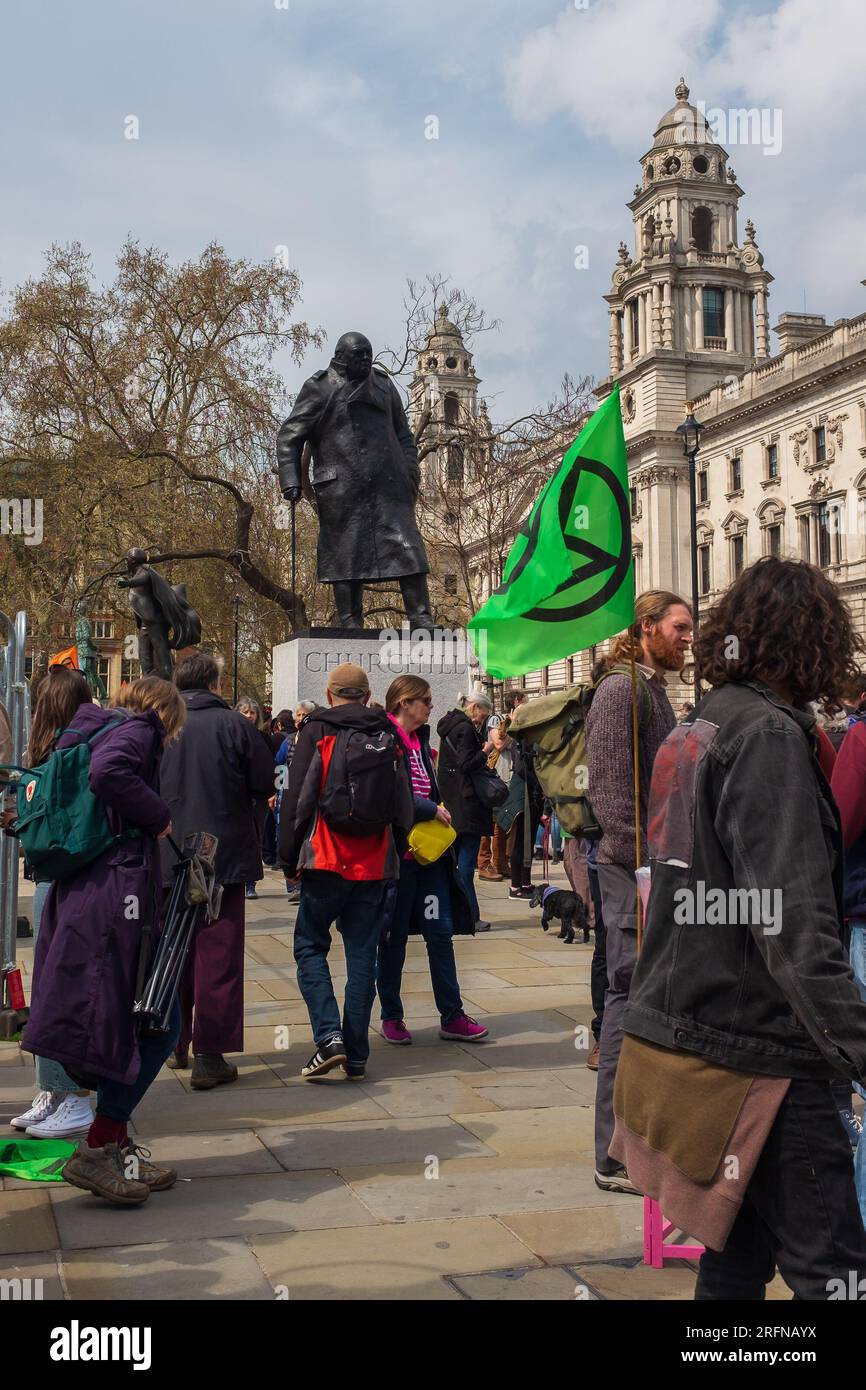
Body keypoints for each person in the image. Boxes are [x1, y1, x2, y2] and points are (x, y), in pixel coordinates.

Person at [613, 557, 866, 1300]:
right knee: (836, 1272)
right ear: (810, 642)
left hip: (705, 1030)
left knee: (738, 1255)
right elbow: (791, 920)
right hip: (765, 1051)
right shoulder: (767, 738)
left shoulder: (706, 721)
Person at [21, 676, 186, 1205]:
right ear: (163, 711)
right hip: (115, 899)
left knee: (132, 1020)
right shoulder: (138, 729)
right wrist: (159, 816)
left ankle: (116, 1146)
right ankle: (98, 1148)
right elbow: (109, 774)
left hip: (91, 894)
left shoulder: (91, 728)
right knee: (155, 1020)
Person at [586, 589, 692, 1194]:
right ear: (648, 626)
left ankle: (638, 1144)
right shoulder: (622, 689)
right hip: (632, 872)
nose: (686, 638)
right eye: (679, 627)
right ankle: (612, 1155)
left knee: (641, 1002)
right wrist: (650, 861)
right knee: (625, 1000)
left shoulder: (648, 687)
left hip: (653, 870)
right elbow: (609, 794)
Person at [278, 662, 414, 1080]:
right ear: (368, 694)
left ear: (330, 693)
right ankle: (355, 1053)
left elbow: (298, 800)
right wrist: (399, 844)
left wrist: (287, 860)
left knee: (309, 947)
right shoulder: (388, 732)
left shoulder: (317, 730)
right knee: (362, 959)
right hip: (374, 864)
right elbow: (404, 801)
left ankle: (328, 1037)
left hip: (326, 859)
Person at [160, 654, 274, 1088]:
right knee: (218, 951)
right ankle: (210, 1052)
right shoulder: (236, 726)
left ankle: (174, 1040)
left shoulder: (161, 724)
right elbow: (263, 784)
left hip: (168, 852)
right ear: (215, 684)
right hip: (219, 855)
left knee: (173, 947)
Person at [376, 676, 489, 1046]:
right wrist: (429, 808)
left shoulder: (421, 740)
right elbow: (393, 793)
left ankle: (452, 1014)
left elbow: (426, 786)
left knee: (440, 933)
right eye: (424, 700)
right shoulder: (386, 739)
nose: (429, 706)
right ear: (404, 702)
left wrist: (437, 807)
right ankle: (391, 1015)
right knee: (393, 939)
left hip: (431, 857)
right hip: (400, 857)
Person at [11, 668, 95, 1139]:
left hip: (66, 875)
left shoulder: (70, 749)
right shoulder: (72, 746)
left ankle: (69, 1093)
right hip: (61, 874)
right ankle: (54, 1087)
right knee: (49, 980)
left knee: (59, 982)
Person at [436, 687, 495, 931]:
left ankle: (452, 912)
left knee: (456, 863)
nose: (483, 719)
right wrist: (486, 750)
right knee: (467, 866)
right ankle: (470, 916)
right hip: (467, 804)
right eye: (484, 713)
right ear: (474, 708)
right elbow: (466, 764)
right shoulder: (465, 729)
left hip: (452, 801)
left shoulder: (449, 726)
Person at [478, 691, 525, 881]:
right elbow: (498, 744)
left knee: (504, 823)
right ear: (515, 702)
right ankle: (484, 863)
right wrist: (513, 727)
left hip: (511, 778)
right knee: (491, 822)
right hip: (495, 777)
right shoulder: (497, 719)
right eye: (524, 702)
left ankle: (501, 862)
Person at [274, 702, 315, 903]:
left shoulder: (318, 738)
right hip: (290, 792)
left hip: (310, 793)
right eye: (298, 715)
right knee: (286, 832)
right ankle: (293, 884)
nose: (300, 718)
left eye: (304, 714)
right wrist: (279, 789)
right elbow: (279, 764)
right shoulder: (289, 741)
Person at [234, 696, 272, 899]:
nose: (249, 716)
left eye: (252, 712)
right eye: (245, 711)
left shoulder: (263, 737)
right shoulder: (230, 735)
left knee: (255, 838)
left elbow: (272, 767)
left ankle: (250, 882)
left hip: (257, 798)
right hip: (237, 796)